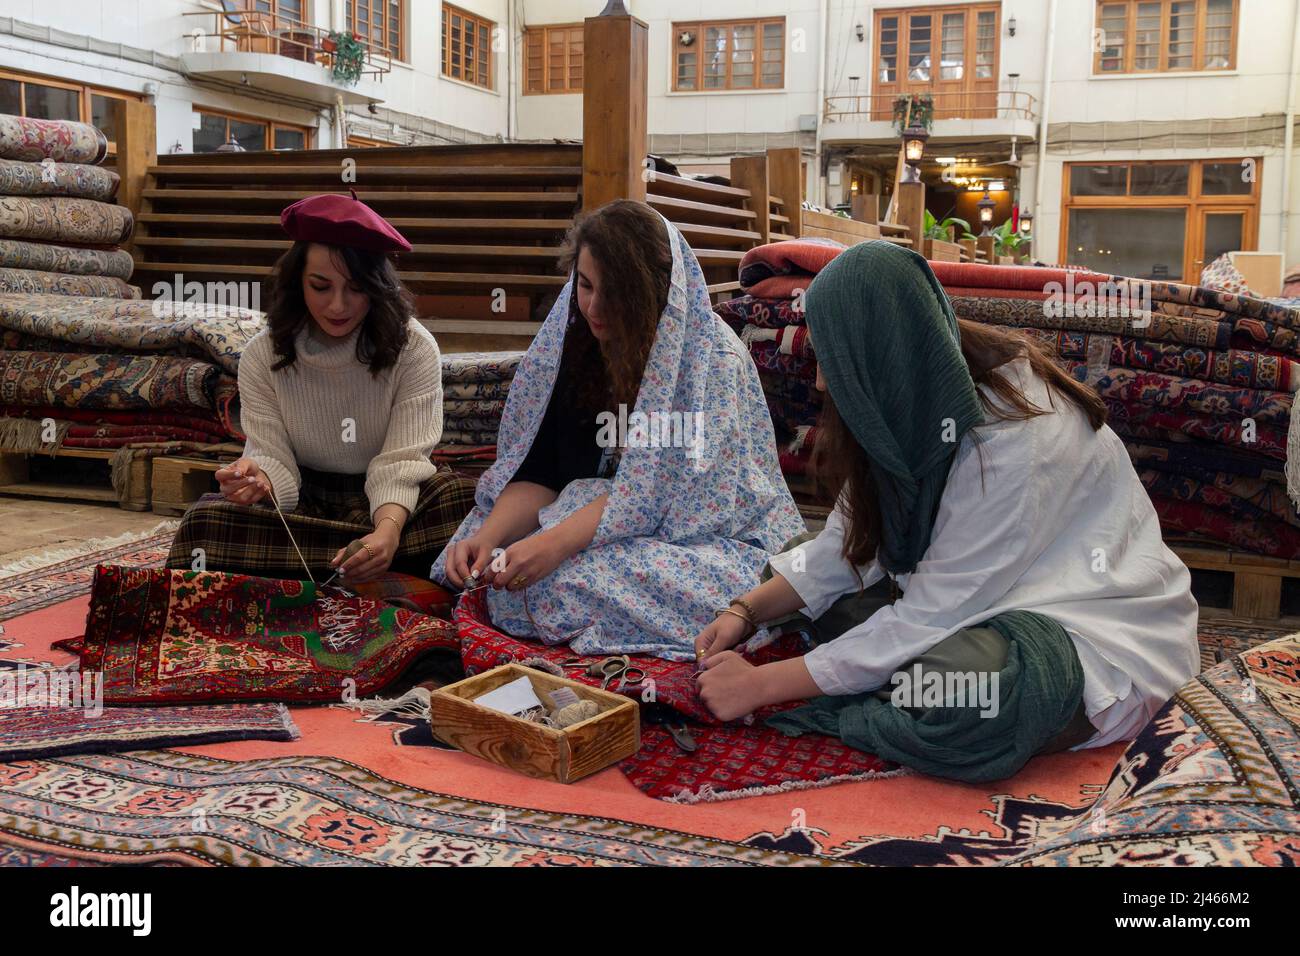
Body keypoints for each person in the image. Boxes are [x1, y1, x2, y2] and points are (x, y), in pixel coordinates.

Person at [693, 240, 1200, 782]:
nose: (819, 381)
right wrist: (743, 612)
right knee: (798, 569)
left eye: (831, 361)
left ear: (880, 350)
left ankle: (890, 687)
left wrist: (761, 687)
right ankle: (879, 675)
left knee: (972, 690)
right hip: (969, 602)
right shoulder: (913, 394)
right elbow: (848, 542)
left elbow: (931, 615)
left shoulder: (1018, 441)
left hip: (1081, 627)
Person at [431, 199, 805, 659]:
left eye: (616, 293)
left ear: (656, 294)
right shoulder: (580, 345)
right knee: (502, 560)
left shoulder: (710, 363)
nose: (594, 306)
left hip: (706, 539)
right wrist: (489, 537)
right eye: (585, 285)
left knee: (568, 577)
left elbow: (668, 495)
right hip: (599, 522)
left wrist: (552, 545)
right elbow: (545, 470)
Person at [165, 193, 475, 583]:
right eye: (321, 286)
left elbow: (401, 461)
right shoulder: (264, 354)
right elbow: (273, 457)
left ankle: (330, 571)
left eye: (356, 288)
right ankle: (380, 577)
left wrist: (387, 533)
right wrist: (257, 479)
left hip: (388, 503)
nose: (338, 306)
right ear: (298, 282)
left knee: (463, 503)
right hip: (303, 506)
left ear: (378, 286)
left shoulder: (413, 347)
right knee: (205, 523)